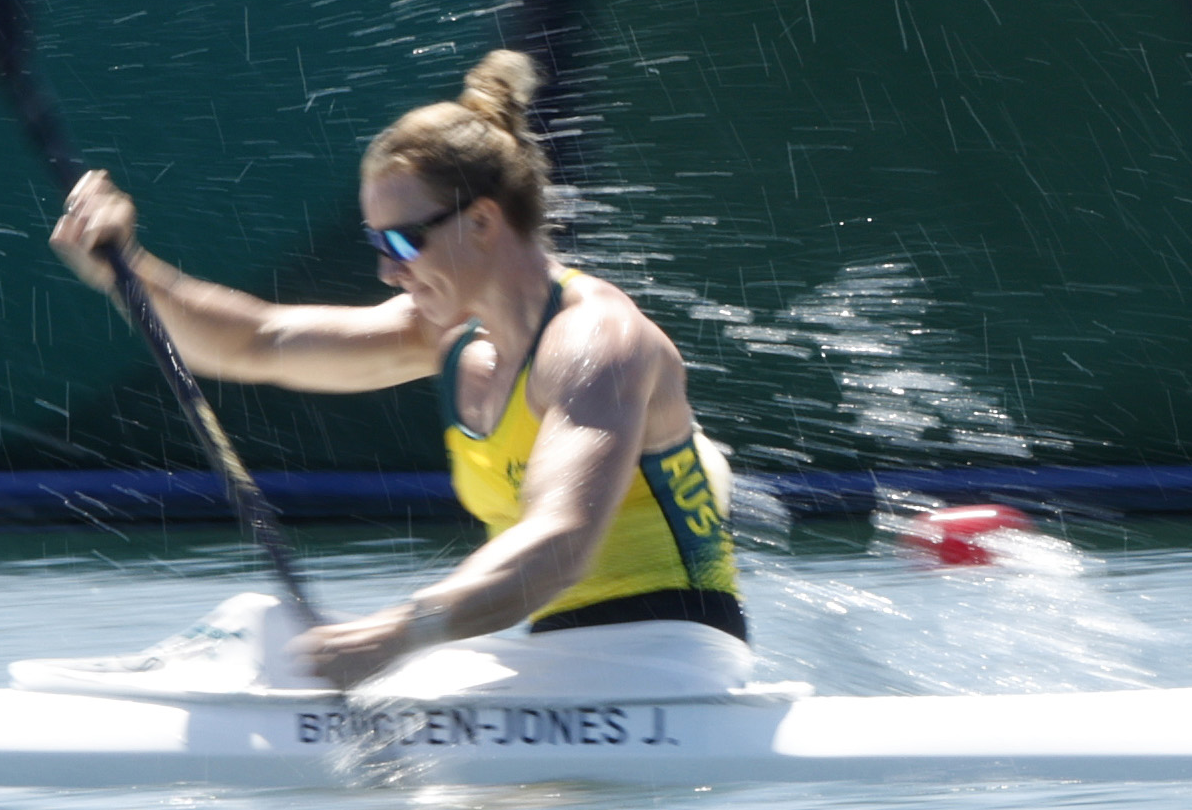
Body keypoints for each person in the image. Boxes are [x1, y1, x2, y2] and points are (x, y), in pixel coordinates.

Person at [48, 49, 741, 691]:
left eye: (405, 240)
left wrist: (395, 632)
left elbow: (560, 542)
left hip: (671, 662)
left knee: (284, 653)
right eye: (377, 242)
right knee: (266, 626)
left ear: (482, 222)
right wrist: (126, 269)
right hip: (554, 661)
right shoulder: (447, 335)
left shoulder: (596, 340)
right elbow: (257, 339)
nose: (386, 267)